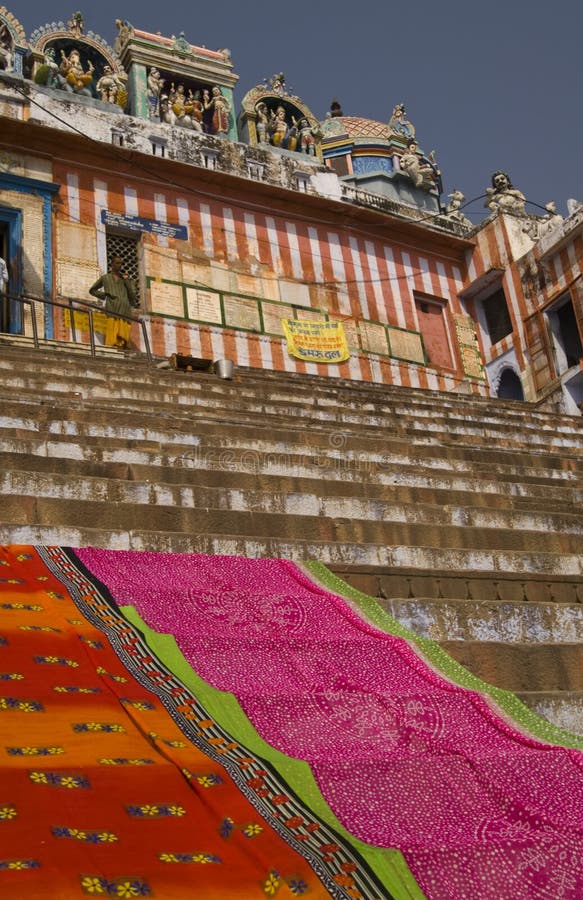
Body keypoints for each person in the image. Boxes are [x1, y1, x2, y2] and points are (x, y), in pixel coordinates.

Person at [89, 256, 139, 349]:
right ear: (111, 264)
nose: (119, 265)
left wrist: (127, 281)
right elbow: (92, 290)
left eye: (121, 263)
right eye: (117, 263)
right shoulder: (105, 278)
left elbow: (132, 296)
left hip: (125, 310)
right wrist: (104, 295)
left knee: (124, 338)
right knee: (112, 335)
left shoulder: (125, 280)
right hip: (112, 308)